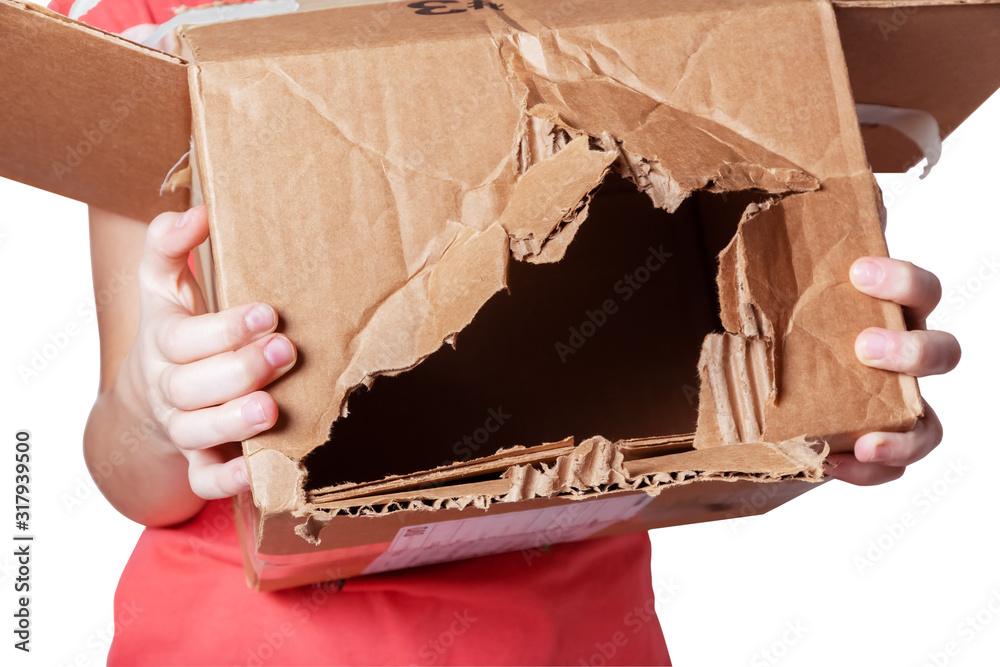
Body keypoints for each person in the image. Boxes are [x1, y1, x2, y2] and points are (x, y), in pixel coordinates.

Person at [50, 0, 962, 664]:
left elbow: (689, 430)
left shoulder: (653, 18)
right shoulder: (165, 35)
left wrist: (843, 387)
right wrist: (152, 399)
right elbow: (132, 475)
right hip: (242, 640)